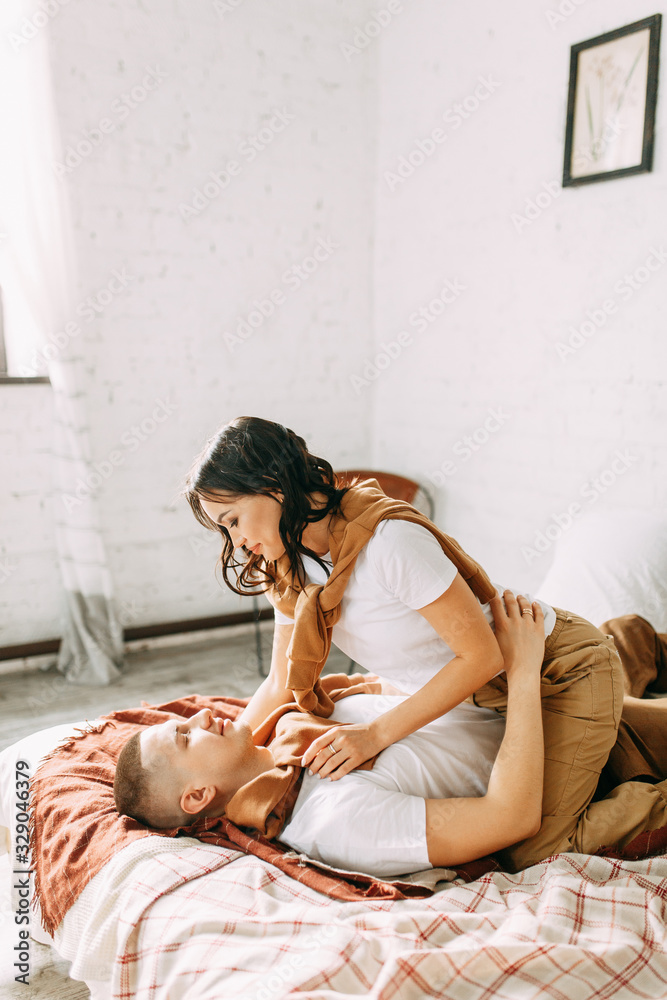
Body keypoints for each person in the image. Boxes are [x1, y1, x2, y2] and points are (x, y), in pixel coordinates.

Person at [182, 416, 626, 872]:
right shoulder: (287, 568)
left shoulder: (388, 541)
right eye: (224, 530)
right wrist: (207, 779)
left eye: (233, 521)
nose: (237, 542)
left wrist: (375, 735)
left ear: (273, 486)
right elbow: (280, 681)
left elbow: (482, 657)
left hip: (553, 667)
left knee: (536, 849)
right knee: (612, 761)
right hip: (482, 698)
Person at [113, 593, 667, 877]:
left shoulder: (288, 731)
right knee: (541, 848)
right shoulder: (332, 819)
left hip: (532, 701)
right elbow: (510, 820)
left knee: (615, 666)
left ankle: (633, 644)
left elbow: (295, 674)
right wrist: (522, 671)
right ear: (196, 797)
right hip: (568, 743)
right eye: (186, 738)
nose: (203, 717)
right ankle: (631, 646)